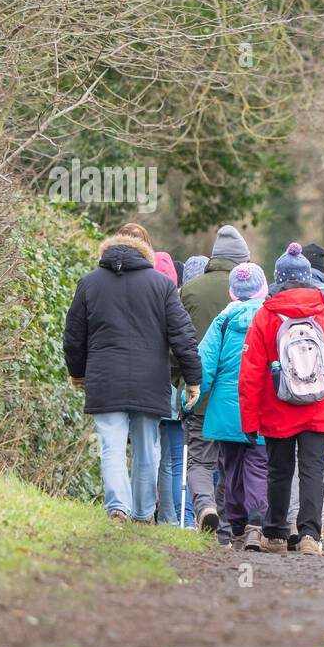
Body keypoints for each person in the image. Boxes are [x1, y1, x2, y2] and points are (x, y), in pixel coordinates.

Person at [63, 223, 202, 524]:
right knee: (147, 448)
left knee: (111, 446)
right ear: (146, 253)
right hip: (150, 379)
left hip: (104, 377)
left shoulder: (89, 283)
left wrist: (77, 372)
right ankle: (141, 513)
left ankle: (117, 508)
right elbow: (182, 335)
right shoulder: (162, 285)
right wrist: (193, 379)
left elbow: (74, 335)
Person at [239, 243, 324, 555]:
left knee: (279, 470)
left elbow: (250, 372)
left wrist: (249, 419)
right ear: (307, 278)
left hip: (277, 408)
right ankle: (309, 536)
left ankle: (276, 534)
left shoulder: (265, 317)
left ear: (279, 279)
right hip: (321, 408)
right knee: (313, 470)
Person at [192, 263, 270, 550]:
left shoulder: (223, 321)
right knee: (259, 465)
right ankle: (255, 524)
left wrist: (189, 405)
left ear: (232, 292)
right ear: (263, 289)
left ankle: (235, 527)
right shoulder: (271, 319)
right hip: (261, 407)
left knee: (232, 467)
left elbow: (204, 368)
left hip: (227, 411)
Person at [179, 225, 250, 538]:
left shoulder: (190, 290)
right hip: (239, 397)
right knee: (231, 463)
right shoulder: (254, 296)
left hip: (198, 392)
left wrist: (180, 380)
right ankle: (223, 525)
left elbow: (174, 341)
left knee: (199, 459)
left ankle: (205, 505)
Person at [151, 252, 189, 526]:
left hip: (144, 392)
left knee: (147, 455)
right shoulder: (177, 309)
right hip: (173, 395)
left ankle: (143, 509)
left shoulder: (139, 306)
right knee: (174, 461)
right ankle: (171, 518)